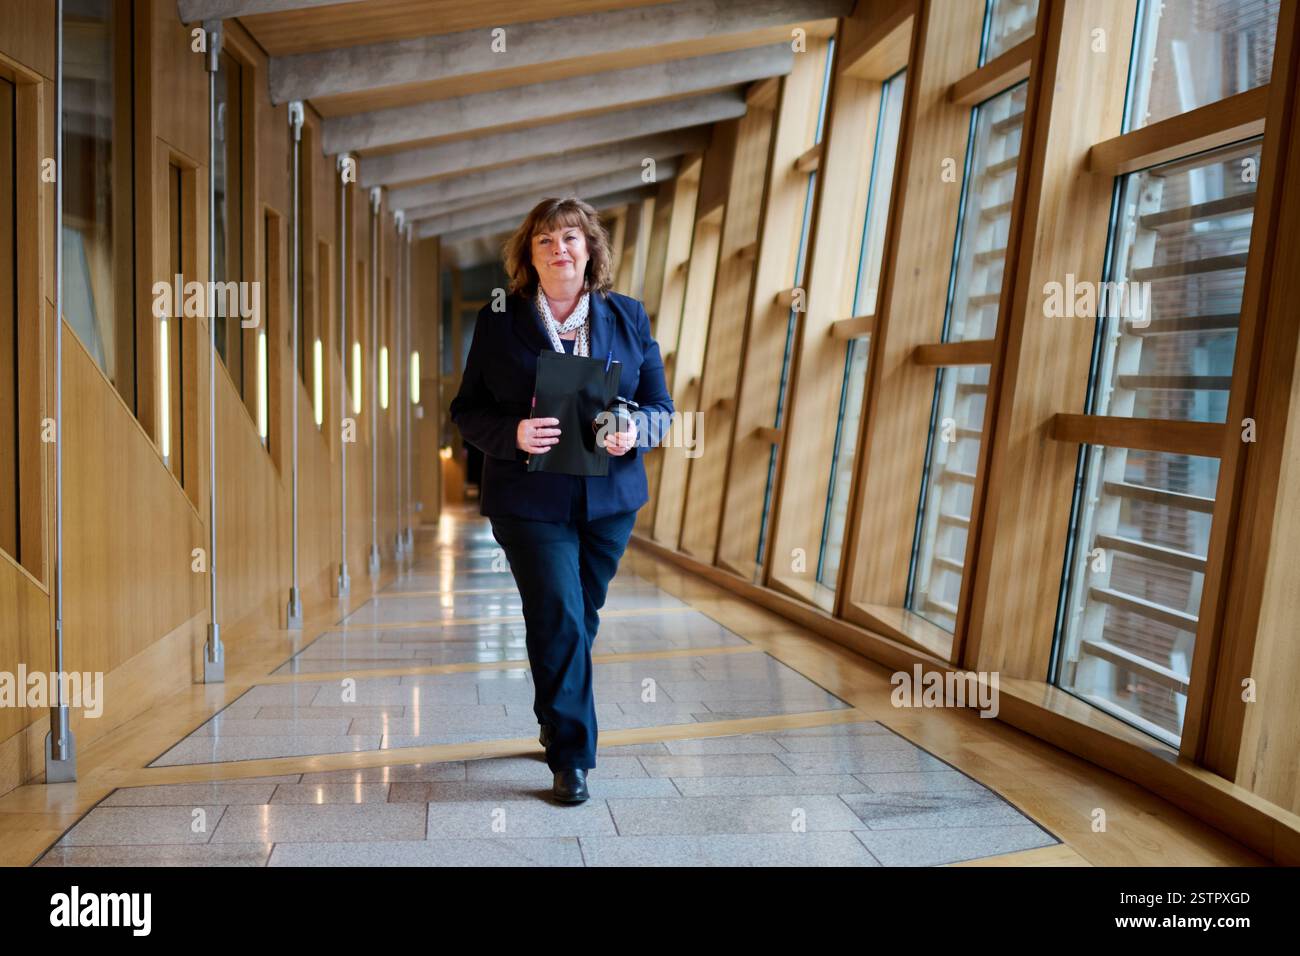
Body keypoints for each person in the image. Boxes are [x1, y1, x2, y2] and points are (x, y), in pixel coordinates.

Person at [449, 197, 674, 803]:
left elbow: (661, 407)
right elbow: (467, 411)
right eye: (545, 240)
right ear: (529, 254)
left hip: (610, 502)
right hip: (530, 499)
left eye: (570, 238)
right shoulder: (500, 320)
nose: (559, 249)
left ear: (590, 249)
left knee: (579, 616)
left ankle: (554, 712)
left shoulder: (628, 317)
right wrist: (514, 433)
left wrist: (638, 432)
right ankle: (572, 758)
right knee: (561, 615)